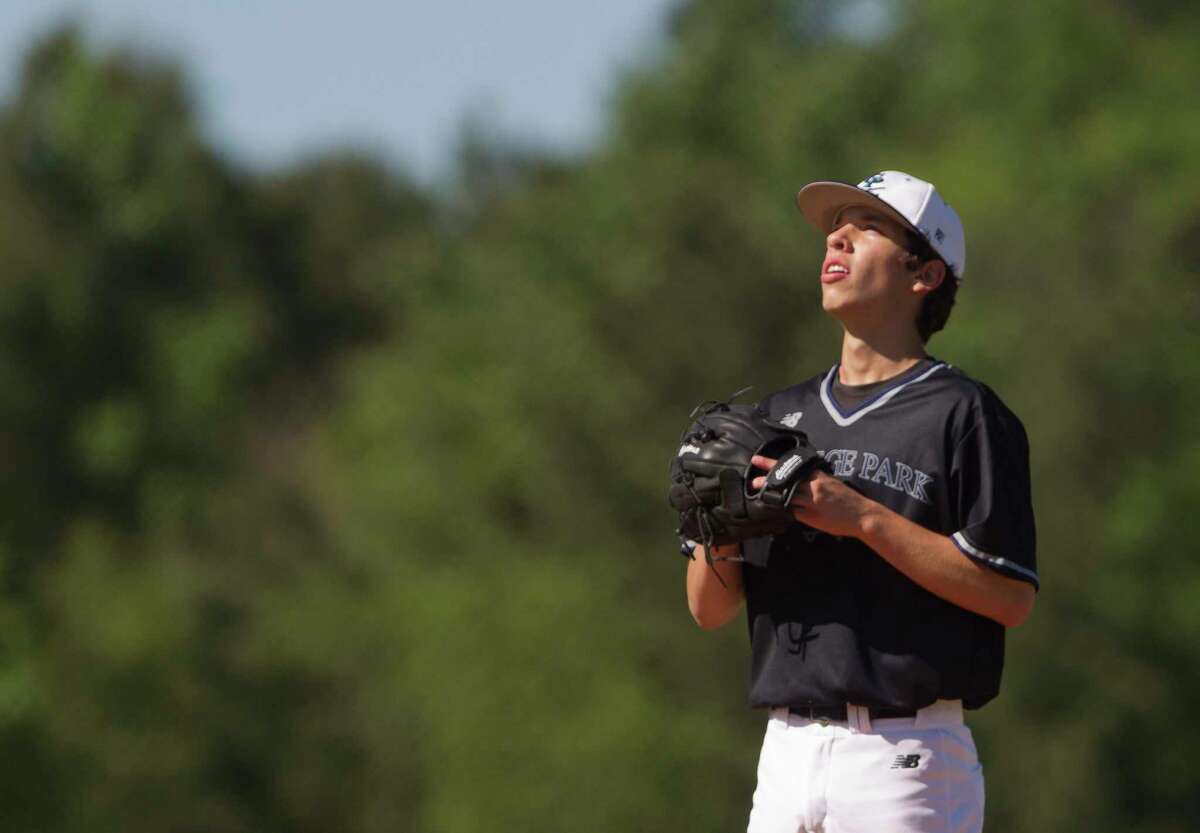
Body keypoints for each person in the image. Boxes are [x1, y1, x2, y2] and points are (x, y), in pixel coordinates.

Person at [685, 171, 1038, 833]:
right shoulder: (778, 418)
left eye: (868, 225)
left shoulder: (965, 415)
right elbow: (708, 607)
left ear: (925, 274)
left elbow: (1010, 596)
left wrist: (865, 519)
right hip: (786, 753)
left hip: (905, 757)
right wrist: (719, 527)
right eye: (833, 226)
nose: (837, 236)